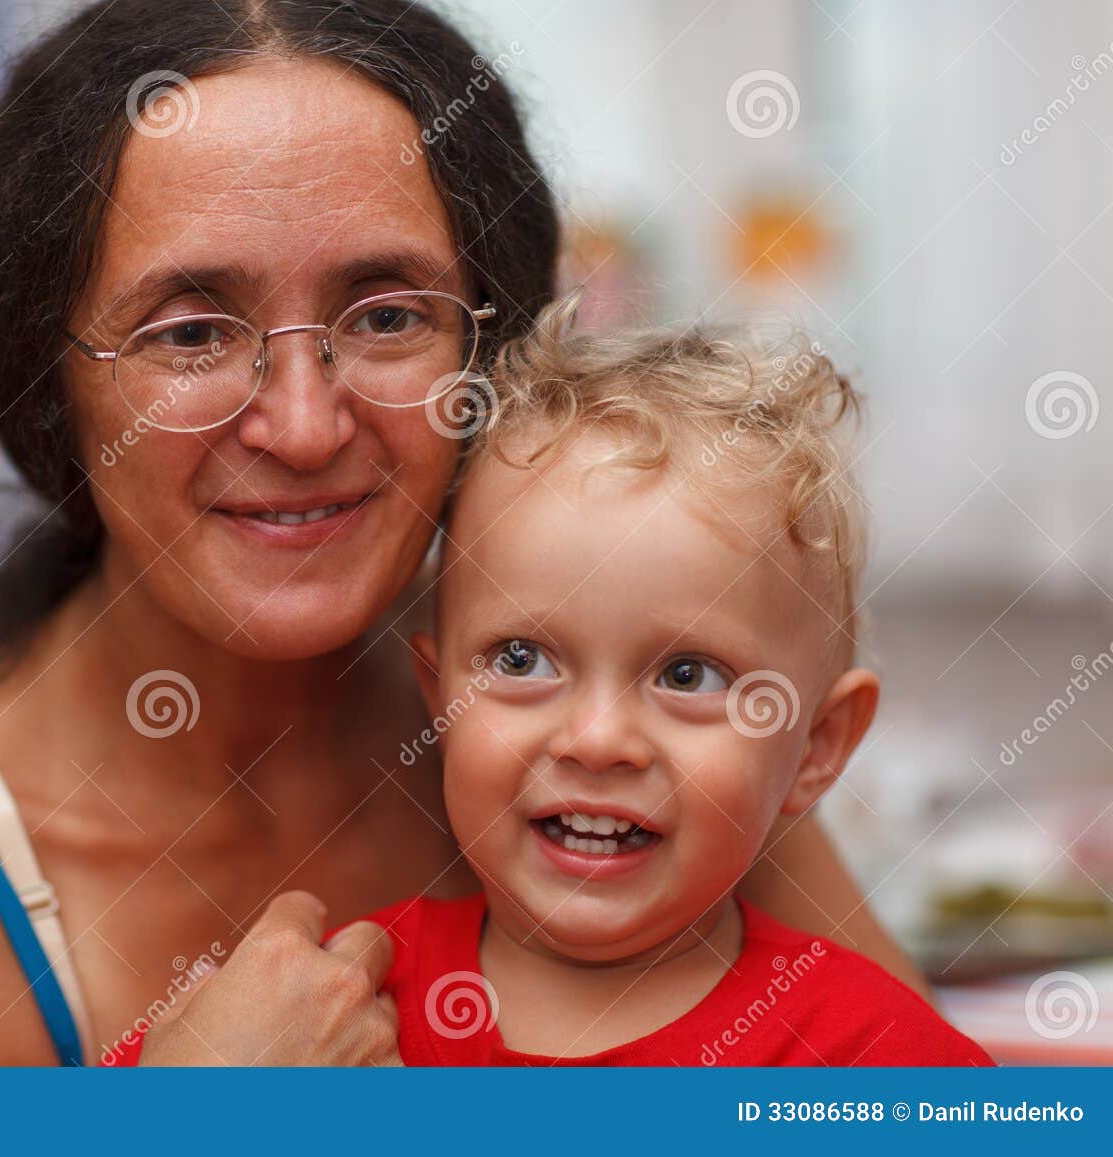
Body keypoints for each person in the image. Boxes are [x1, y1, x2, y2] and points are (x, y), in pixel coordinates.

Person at [0, 0, 928, 1067]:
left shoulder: (597, 724)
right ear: (50, 383)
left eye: (389, 314)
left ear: (491, 358)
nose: (305, 425)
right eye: (190, 332)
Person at [363, 301, 991, 1065]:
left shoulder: (870, 1055)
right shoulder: (347, 1011)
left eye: (687, 674)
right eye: (522, 659)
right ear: (440, 697)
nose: (597, 740)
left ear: (818, 744)